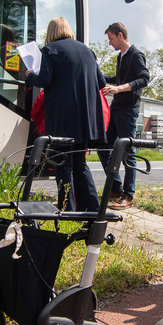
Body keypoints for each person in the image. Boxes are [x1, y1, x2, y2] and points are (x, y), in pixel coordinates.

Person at [25, 16, 105, 213]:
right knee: (80, 163)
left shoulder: (50, 50)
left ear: (51, 32)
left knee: (63, 165)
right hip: (86, 120)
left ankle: (66, 209)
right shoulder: (87, 50)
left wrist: (30, 76)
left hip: (62, 119)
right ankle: (92, 210)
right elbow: (101, 82)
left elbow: (45, 79)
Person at [97, 22, 150, 210]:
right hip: (116, 108)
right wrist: (97, 77)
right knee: (103, 146)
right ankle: (116, 188)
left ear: (120, 35)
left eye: (111, 39)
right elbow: (118, 79)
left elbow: (144, 79)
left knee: (128, 152)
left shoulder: (136, 55)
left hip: (128, 110)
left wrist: (119, 88)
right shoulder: (121, 57)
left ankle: (128, 195)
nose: (110, 43)